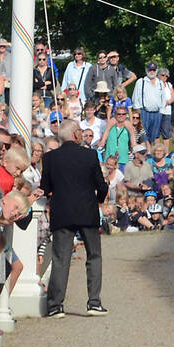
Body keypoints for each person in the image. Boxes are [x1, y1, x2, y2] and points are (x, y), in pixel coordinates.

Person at [40, 120, 109, 318]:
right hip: (87, 211)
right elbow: (101, 185)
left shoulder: (50, 158)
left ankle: (55, 305)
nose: (81, 134)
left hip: (61, 212)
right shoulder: (89, 155)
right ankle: (94, 302)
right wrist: (99, 199)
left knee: (60, 259)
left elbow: (45, 187)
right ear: (75, 134)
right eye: (80, 130)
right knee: (94, 256)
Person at [132, 62, 167, 143]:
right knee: (143, 136)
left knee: (154, 136)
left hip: (157, 113)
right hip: (144, 112)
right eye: (150, 70)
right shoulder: (141, 81)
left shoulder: (160, 83)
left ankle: (150, 153)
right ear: (146, 70)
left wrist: (161, 112)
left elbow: (163, 98)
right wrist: (138, 111)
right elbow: (135, 97)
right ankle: (144, 153)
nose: (152, 72)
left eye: (153, 70)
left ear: (156, 71)